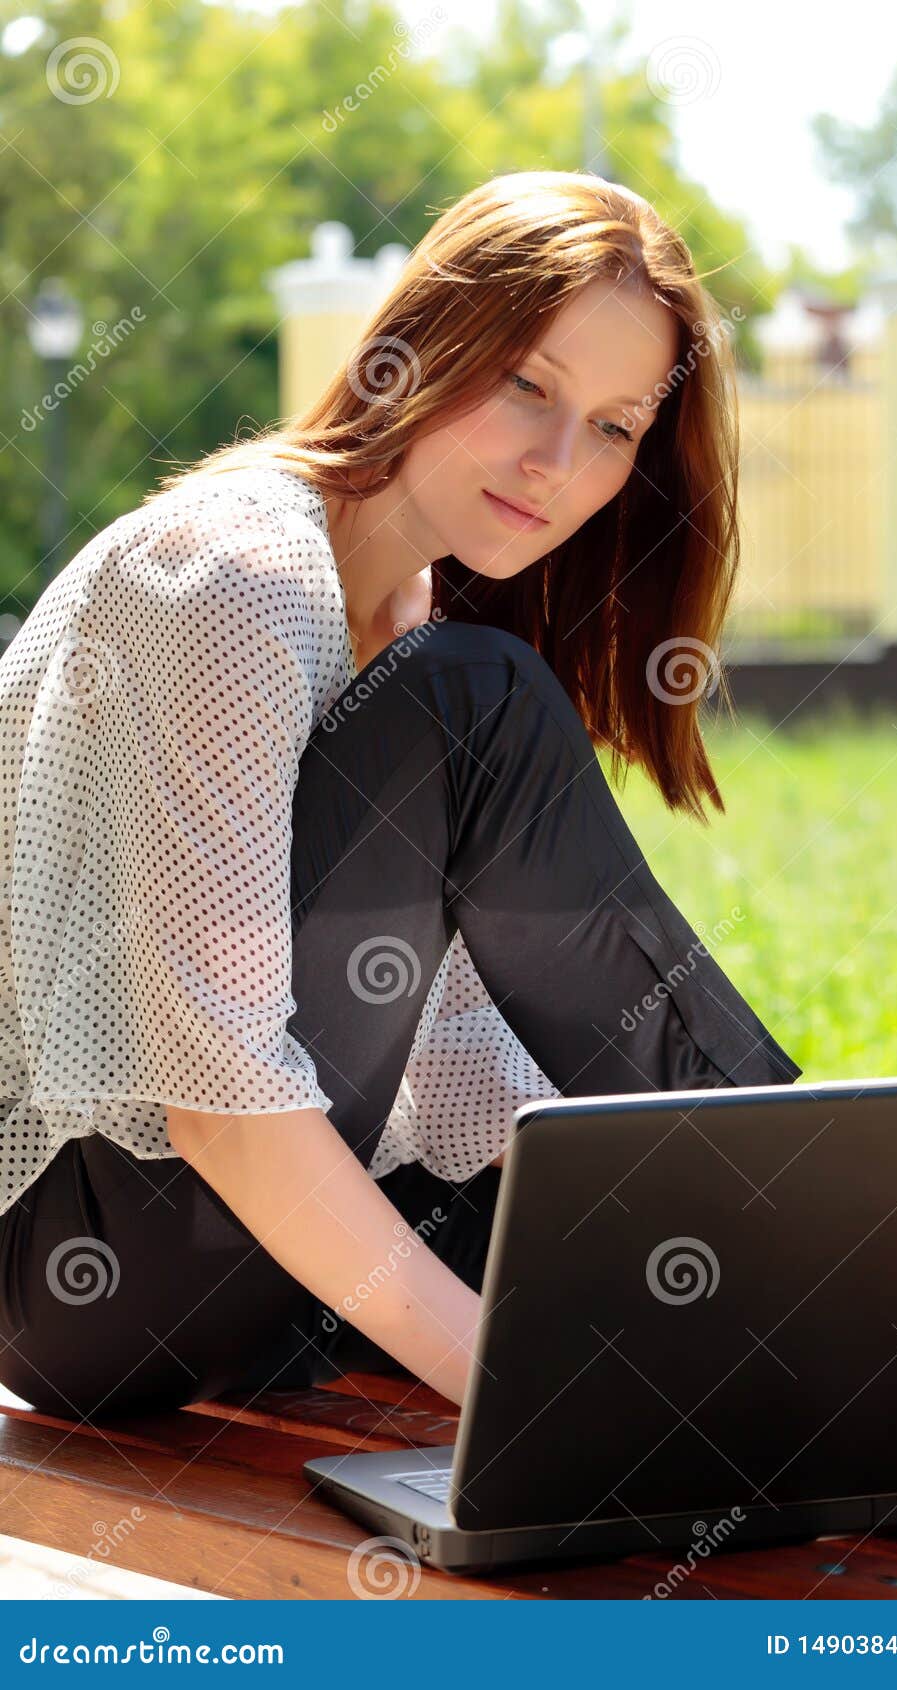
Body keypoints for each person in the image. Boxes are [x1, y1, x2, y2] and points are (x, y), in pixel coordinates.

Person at [0, 169, 802, 1424]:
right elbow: (220, 1108)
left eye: (611, 428)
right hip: (83, 1259)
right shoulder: (235, 576)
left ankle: (826, 1243)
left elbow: (456, 1049)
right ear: (421, 345)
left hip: (248, 1254)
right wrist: (514, 1388)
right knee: (479, 694)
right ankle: (813, 1207)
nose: (555, 463)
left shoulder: (421, 613)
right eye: (529, 385)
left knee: (693, 1303)